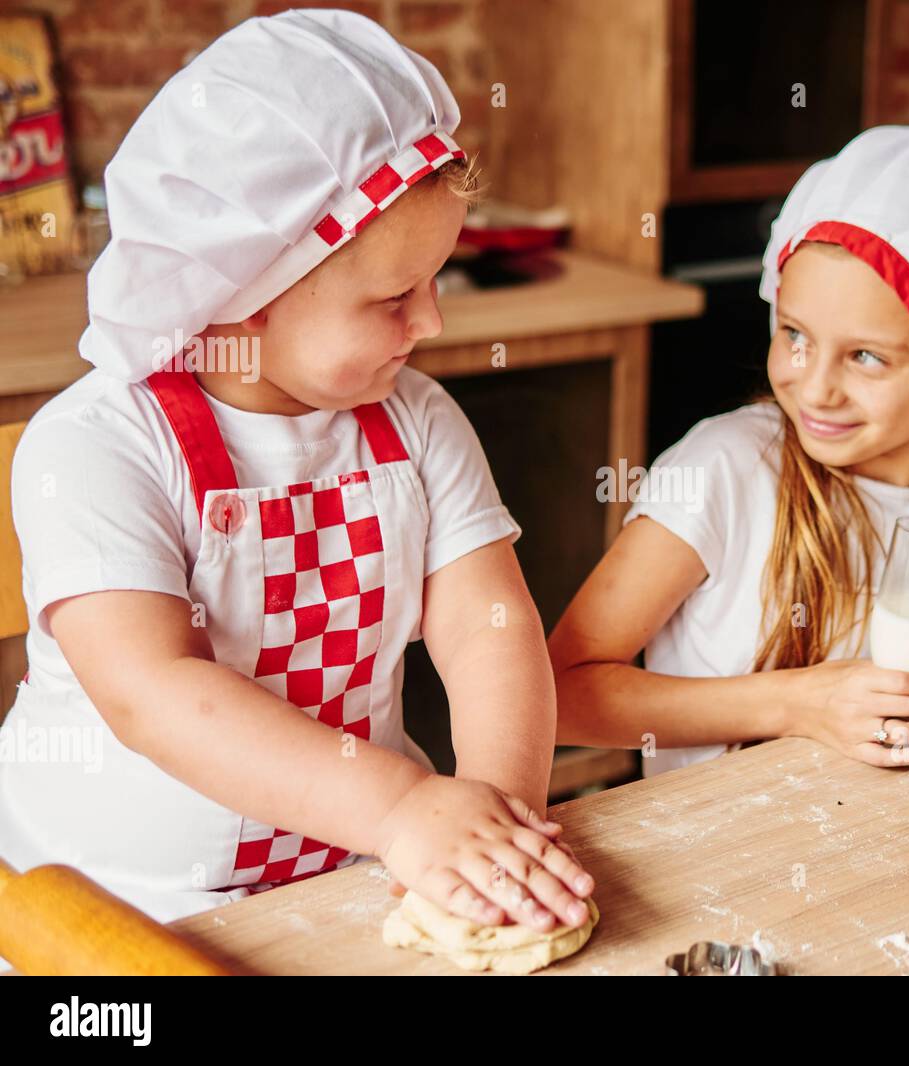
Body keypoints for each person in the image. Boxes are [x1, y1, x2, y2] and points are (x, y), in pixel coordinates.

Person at [1, 9, 593, 935]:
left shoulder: (417, 423)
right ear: (241, 290)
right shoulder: (97, 447)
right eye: (395, 296)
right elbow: (156, 693)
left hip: (349, 887)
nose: (431, 324)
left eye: (437, 281)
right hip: (104, 911)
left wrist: (496, 821)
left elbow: (491, 630)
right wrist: (400, 806)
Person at [549, 126, 909, 779]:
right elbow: (564, 693)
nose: (814, 386)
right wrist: (799, 704)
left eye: (866, 356)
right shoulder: (724, 471)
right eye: (795, 334)